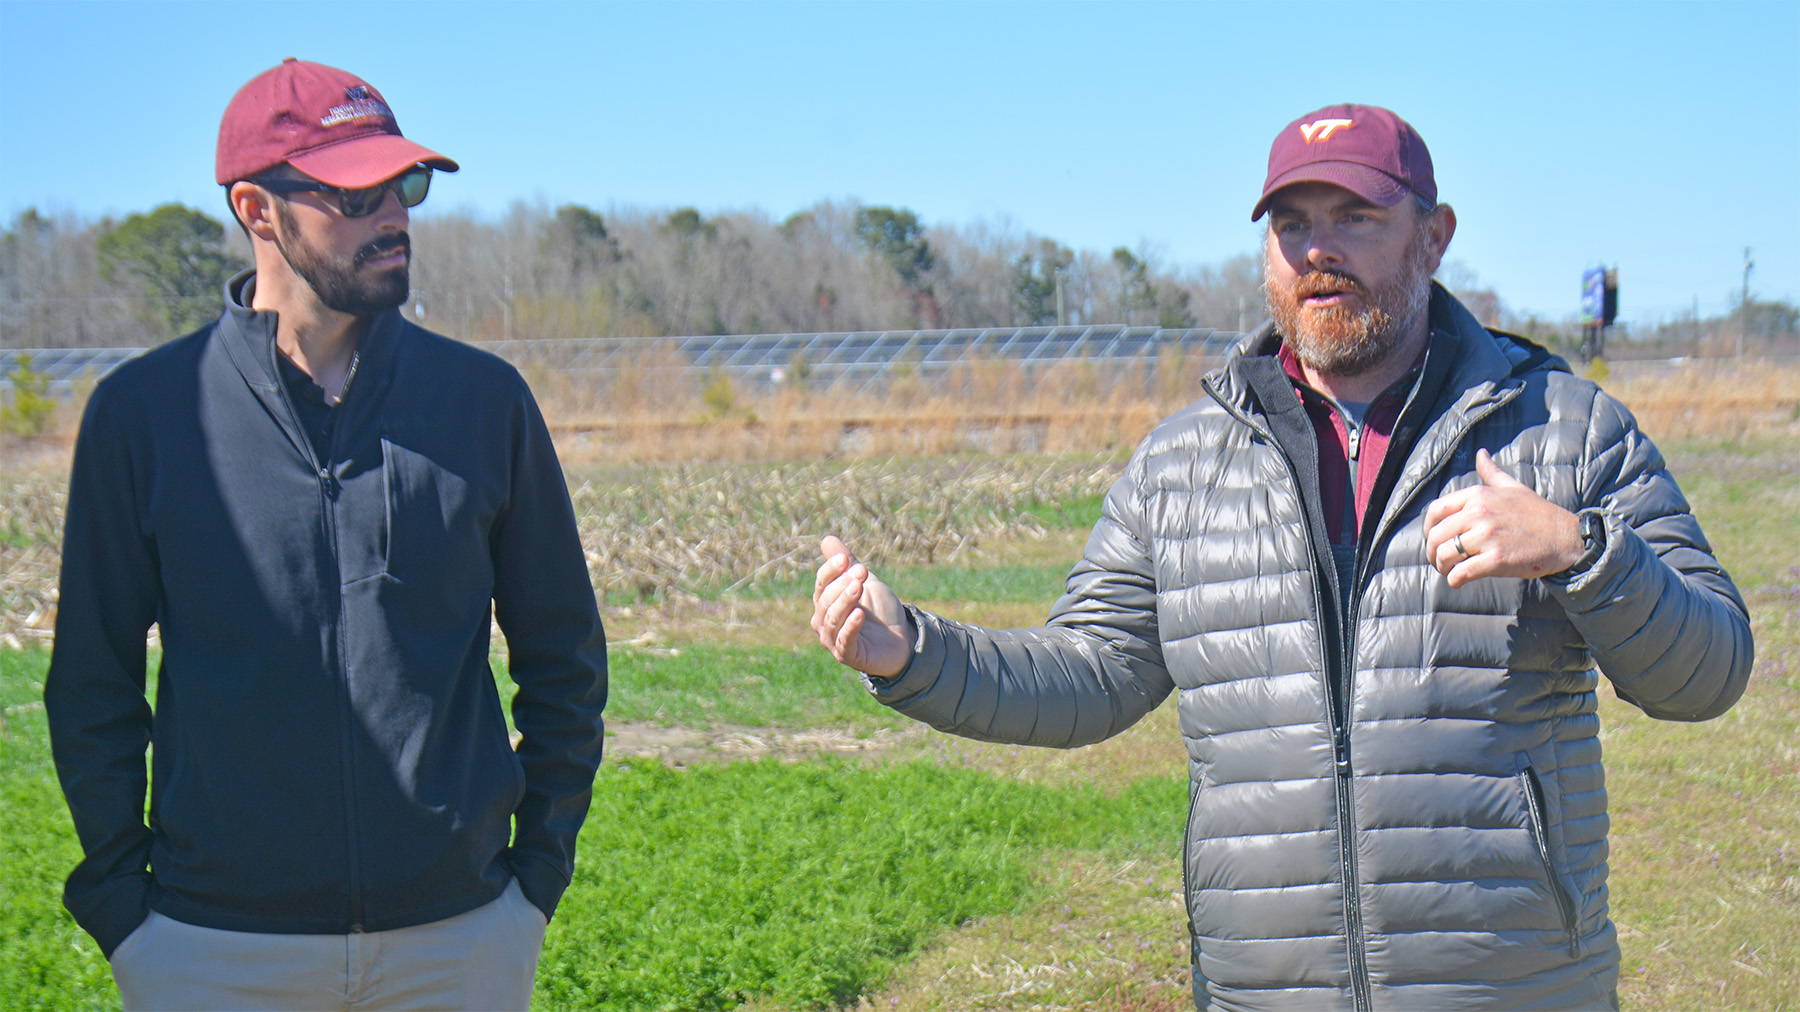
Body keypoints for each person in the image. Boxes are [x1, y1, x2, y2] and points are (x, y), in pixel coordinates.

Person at [811, 103, 1752, 1010]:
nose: (1318, 250)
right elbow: (1091, 674)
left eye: (1355, 217)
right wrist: (913, 655)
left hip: (1515, 989)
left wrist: (1579, 548)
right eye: (1292, 224)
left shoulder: (1567, 431)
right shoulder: (1181, 467)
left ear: (1434, 237)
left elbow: (1708, 673)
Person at [44, 58, 607, 1011]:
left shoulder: (483, 403)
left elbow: (565, 660)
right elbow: (92, 683)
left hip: (458, 946)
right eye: (357, 193)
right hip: (212, 954)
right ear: (258, 209)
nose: (396, 214)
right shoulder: (144, 416)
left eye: (407, 185)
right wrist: (127, 917)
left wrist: (532, 885)